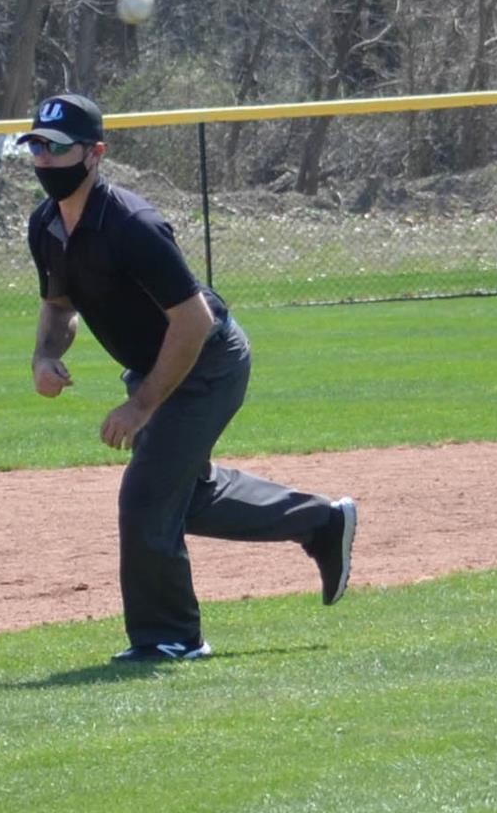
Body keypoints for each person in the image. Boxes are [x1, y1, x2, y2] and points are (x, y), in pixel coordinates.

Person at [19, 93, 357, 663]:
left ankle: (170, 638)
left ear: (95, 154)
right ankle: (322, 523)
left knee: (147, 498)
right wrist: (43, 357)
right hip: (162, 364)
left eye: (57, 148)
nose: (44, 160)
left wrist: (141, 406)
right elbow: (58, 305)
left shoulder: (134, 226)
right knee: (183, 496)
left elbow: (193, 321)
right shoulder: (46, 225)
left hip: (208, 361)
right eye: (36, 148)